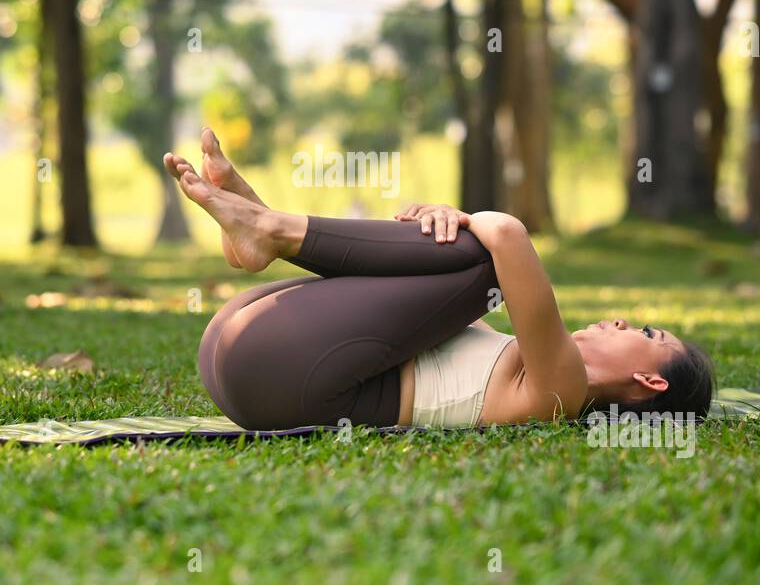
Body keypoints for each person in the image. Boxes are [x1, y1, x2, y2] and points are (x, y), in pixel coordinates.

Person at [164, 129, 714, 431]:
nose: (622, 321)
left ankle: (270, 229)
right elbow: (393, 289)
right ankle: (261, 223)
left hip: (274, 369)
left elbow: (508, 234)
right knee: (465, 257)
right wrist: (434, 225)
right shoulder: (512, 363)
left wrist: (457, 222)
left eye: (646, 335)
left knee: (479, 258)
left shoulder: (563, 394)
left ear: (650, 384)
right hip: (245, 352)